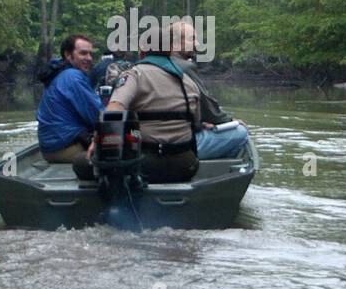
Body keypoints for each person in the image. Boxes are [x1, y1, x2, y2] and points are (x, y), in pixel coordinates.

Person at [98, 34, 204, 183]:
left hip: (145, 165)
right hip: (185, 165)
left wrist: (97, 145)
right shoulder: (189, 82)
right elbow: (196, 122)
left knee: (82, 163)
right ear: (171, 51)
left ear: (142, 51)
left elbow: (114, 111)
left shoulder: (134, 75)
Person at [170, 20, 250, 159]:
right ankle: (218, 173)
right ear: (176, 42)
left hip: (156, 142)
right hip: (184, 145)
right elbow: (208, 108)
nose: (197, 44)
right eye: (192, 39)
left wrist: (200, 125)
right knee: (241, 131)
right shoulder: (184, 68)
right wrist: (230, 121)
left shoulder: (150, 69)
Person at [36, 34, 101, 179]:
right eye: (83, 53)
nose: (89, 58)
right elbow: (98, 116)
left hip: (50, 147)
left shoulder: (58, 73)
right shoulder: (73, 77)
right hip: (65, 148)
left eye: (90, 54)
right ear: (68, 55)